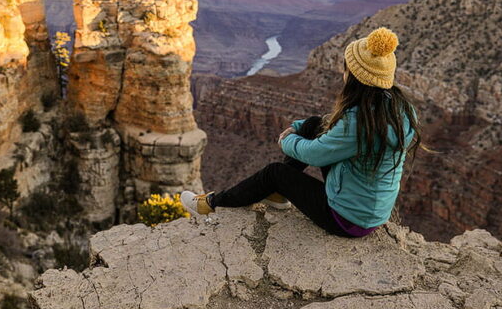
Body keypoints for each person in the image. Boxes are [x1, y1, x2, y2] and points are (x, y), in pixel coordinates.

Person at [180, 26, 421, 237]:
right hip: (369, 211)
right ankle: (277, 195)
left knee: (274, 173)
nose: (343, 73)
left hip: (348, 221)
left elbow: (315, 154)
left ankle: (211, 203)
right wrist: (300, 127)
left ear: (355, 77)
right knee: (314, 124)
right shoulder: (399, 109)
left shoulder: (357, 123)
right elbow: (330, 127)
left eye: (346, 69)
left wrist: (287, 140)